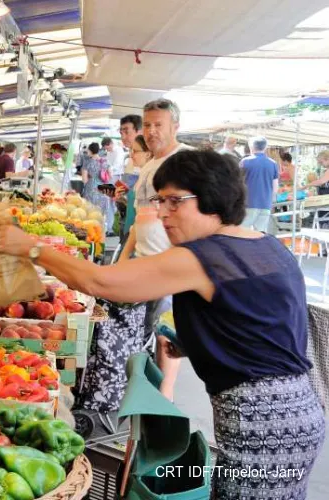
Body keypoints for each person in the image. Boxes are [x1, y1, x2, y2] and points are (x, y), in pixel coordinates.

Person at [0, 149, 324, 500]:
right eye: (160, 200)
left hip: (261, 423)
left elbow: (102, 284)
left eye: (175, 201)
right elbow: (261, 320)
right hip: (298, 411)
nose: (162, 213)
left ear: (212, 198)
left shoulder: (204, 255)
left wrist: (32, 249)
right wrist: (194, 340)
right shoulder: (268, 246)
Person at [119, 98, 192, 398]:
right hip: (145, 264)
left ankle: (165, 397)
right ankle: (150, 395)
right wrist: (123, 259)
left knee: (166, 335)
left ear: (175, 125)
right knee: (149, 333)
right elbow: (139, 222)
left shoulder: (186, 161)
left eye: (158, 124)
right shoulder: (148, 164)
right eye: (147, 124)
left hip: (171, 266)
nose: (150, 131)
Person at [239, 136, 279, 234]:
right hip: (265, 204)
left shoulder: (245, 162)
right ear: (265, 148)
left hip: (248, 202)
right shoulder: (273, 163)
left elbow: (237, 182)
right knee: (261, 233)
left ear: (251, 147)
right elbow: (275, 188)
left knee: (243, 232)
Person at [81, 143, 115, 232]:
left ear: (91, 151)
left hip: (91, 186)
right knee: (102, 211)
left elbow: (84, 179)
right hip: (104, 187)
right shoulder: (105, 161)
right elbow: (111, 175)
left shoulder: (87, 162)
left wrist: (90, 181)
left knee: (90, 210)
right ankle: (101, 231)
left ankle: (91, 231)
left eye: (88, 150)